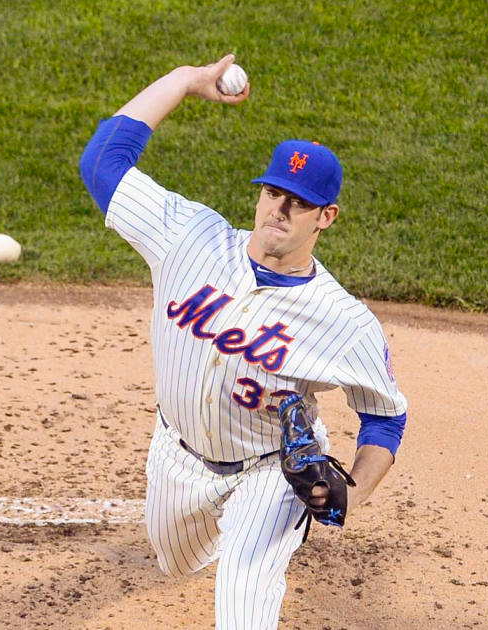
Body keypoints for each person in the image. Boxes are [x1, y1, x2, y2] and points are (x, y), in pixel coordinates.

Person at [78, 54, 408, 629]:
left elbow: (385, 419)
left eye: (298, 202)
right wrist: (183, 81)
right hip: (176, 454)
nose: (278, 209)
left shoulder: (344, 321)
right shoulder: (188, 237)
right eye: (273, 192)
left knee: (243, 603)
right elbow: (102, 161)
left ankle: (274, 535)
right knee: (175, 562)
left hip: (271, 471)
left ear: (325, 217)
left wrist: (354, 493)